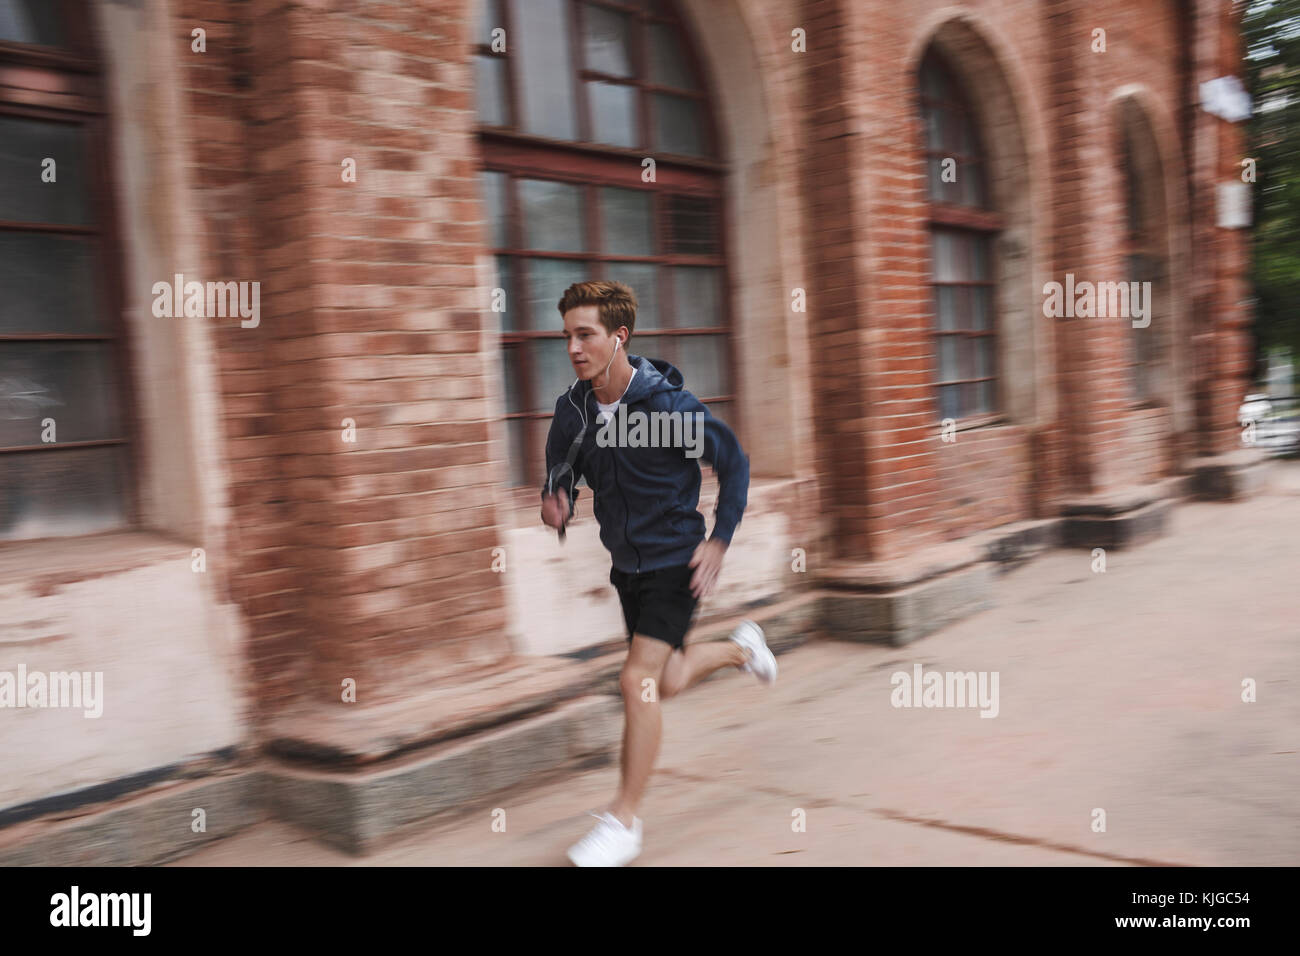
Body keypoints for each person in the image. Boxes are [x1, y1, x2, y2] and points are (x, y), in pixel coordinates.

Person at [539, 280, 777, 867]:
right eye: (567, 334)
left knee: (635, 681)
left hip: (676, 561)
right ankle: (743, 650)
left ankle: (623, 820)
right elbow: (561, 465)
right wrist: (559, 495)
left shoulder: (667, 410)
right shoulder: (574, 411)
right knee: (665, 681)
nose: (573, 347)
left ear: (619, 337)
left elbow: (734, 461)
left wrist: (720, 539)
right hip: (627, 569)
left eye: (585, 334)